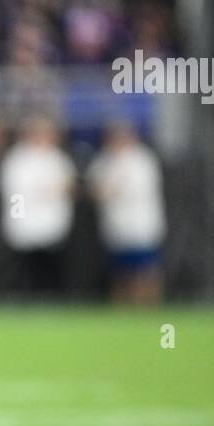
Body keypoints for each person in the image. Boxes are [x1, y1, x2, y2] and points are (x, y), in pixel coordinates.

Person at [87, 121, 166, 302]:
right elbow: (95, 189)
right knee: (120, 272)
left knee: (146, 271)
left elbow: (133, 189)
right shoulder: (104, 160)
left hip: (141, 225)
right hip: (116, 227)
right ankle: (122, 312)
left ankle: (148, 308)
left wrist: (112, 190)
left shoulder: (143, 160)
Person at [0, 115, 76, 296]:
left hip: (52, 225)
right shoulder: (18, 159)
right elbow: (14, 192)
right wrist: (17, 221)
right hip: (26, 226)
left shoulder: (57, 158)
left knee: (50, 271)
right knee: (25, 271)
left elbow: (69, 185)